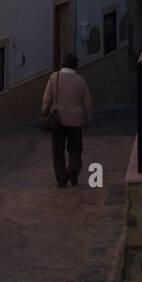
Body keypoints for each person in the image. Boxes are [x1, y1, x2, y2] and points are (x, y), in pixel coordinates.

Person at [42, 53, 92, 187]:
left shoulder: (54, 77)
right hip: (76, 121)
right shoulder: (80, 81)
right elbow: (87, 104)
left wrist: (44, 112)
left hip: (58, 120)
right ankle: (73, 171)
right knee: (75, 149)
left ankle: (61, 178)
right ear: (75, 65)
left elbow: (47, 99)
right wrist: (88, 121)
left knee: (58, 151)